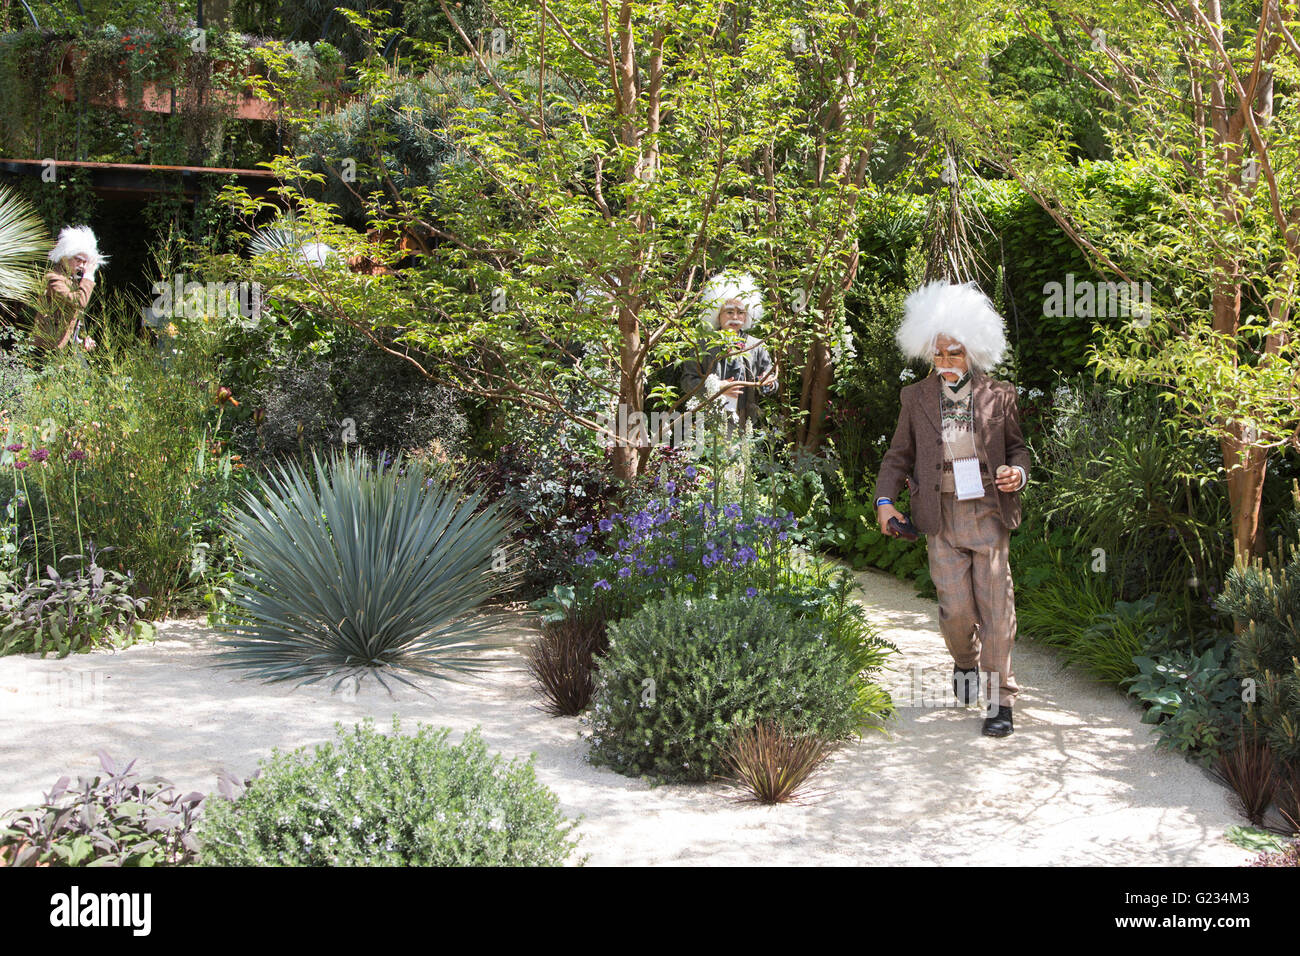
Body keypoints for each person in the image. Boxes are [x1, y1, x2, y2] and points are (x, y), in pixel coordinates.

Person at [872, 280, 1030, 738]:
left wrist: (1016, 474)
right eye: (938, 354)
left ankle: (1001, 700)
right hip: (939, 519)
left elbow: (1018, 450)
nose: (945, 363)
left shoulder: (1000, 395)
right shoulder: (914, 397)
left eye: (954, 353)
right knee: (956, 612)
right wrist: (885, 502)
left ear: (974, 351)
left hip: (987, 514)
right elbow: (897, 457)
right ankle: (964, 660)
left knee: (998, 609)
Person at [678, 272, 778, 437]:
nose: (735, 317)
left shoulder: (756, 345)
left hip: (746, 421)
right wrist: (716, 387)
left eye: (741, 312)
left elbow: (771, 376)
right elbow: (687, 381)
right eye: (729, 312)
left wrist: (769, 383)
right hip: (710, 420)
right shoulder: (702, 346)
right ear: (718, 314)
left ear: (747, 316)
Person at [34, 225, 106, 353]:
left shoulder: (73, 281)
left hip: (66, 347)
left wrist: (83, 338)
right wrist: (89, 276)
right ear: (65, 257)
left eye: (85, 262)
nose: (82, 266)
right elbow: (78, 302)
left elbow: (76, 315)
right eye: (78, 260)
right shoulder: (54, 279)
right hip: (46, 348)